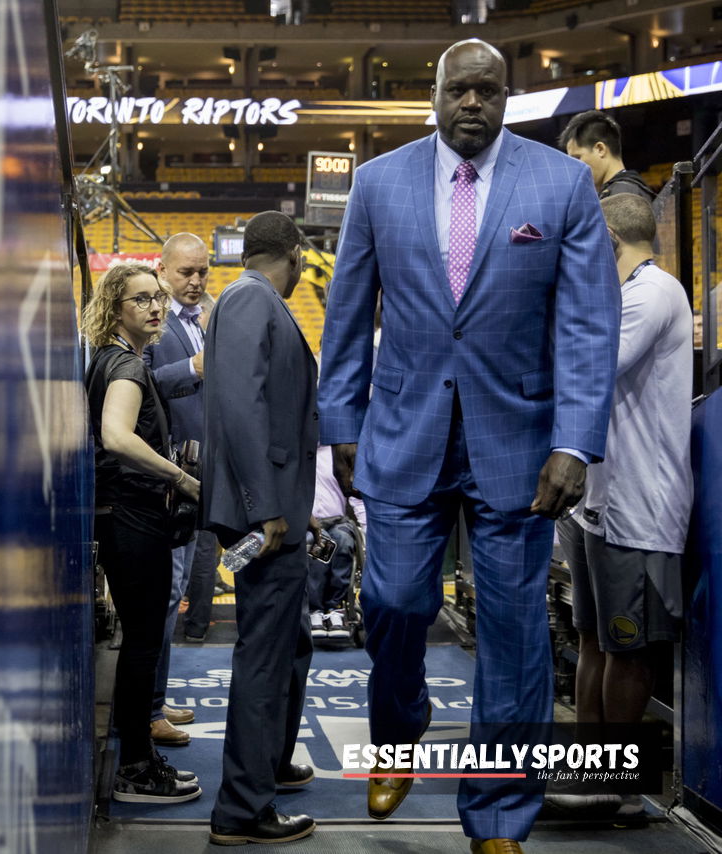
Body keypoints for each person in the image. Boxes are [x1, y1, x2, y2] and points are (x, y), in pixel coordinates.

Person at [316, 39, 620, 854]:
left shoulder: (559, 185)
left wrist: (576, 442)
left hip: (521, 448)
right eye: (461, 91)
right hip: (402, 436)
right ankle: (398, 731)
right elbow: (347, 315)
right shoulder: (379, 183)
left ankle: (496, 815)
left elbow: (590, 326)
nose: (474, 104)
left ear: (507, 97)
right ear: (437, 95)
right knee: (393, 604)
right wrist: (340, 422)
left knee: (516, 637)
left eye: (489, 91)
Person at [547, 194, 693, 815]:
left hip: (640, 505)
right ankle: (590, 773)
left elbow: (590, 367)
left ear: (605, 234)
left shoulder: (652, 292)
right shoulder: (620, 291)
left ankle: (621, 788)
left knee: (626, 649)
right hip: (597, 502)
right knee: (592, 642)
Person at [201, 211, 318, 846]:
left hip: (281, 511)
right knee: (265, 660)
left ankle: (267, 766)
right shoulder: (251, 299)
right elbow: (243, 411)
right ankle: (242, 811)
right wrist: (266, 506)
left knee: (287, 646)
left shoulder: (251, 300)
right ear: (294, 254)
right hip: (265, 516)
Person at [82, 262, 202, 805]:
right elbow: (116, 437)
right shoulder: (126, 367)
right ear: (117, 308)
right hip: (132, 516)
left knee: (142, 642)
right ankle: (134, 767)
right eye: (140, 299)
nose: (155, 307)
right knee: (143, 644)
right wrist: (181, 479)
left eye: (158, 297)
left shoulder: (114, 359)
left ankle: (138, 758)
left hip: (123, 515)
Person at [143, 233, 215, 747]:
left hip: (193, 474)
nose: (194, 281)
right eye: (185, 272)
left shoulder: (199, 321)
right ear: (163, 270)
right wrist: (192, 367)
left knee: (176, 591)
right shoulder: (154, 320)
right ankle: (147, 709)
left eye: (202, 272)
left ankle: (156, 698)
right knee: (165, 594)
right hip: (165, 476)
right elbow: (139, 380)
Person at [308, 444, 363, 641]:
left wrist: (365, 527)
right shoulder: (300, 452)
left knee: (344, 541)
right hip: (310, 524)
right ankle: (315, 609)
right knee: (321, 545)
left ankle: (335, 606)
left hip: (339, 521)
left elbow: (356, 495)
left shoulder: (339, 453)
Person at [558, 110, 656, 200]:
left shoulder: (621, 196)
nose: (573, 168)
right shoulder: (629, 190)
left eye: (577, 158)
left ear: (600, 149)